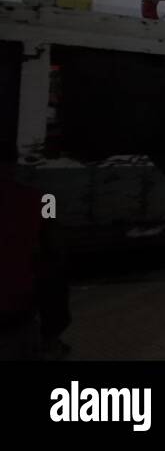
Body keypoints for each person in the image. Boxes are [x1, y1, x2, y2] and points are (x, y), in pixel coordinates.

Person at [0, 142, 71, 360]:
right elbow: (55, 255)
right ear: (13, 165)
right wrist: (53, 328)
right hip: (16, 313)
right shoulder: (44, 200)